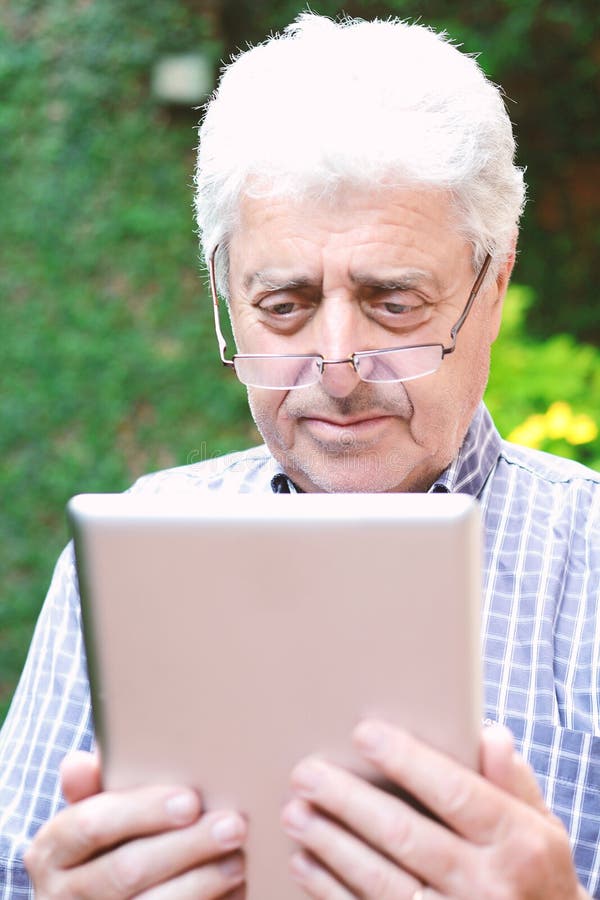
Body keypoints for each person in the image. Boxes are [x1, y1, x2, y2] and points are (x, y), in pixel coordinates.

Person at [1, 12, 598, 899]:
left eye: (394, 302)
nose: (338, 368)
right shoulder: (126, 558)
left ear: (495, 284)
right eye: (282, 304)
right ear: (224, 296)